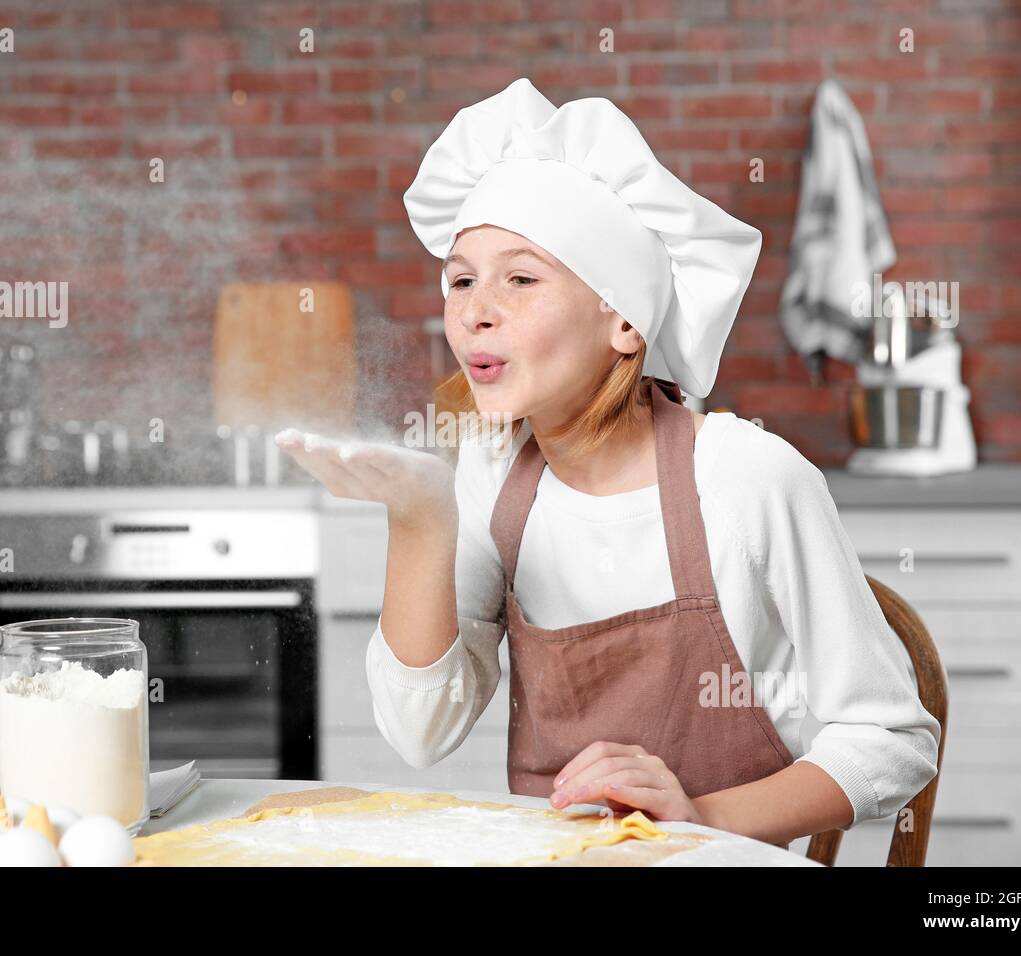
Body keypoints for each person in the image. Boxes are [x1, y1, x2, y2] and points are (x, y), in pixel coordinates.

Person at [276, 78, 939, 848]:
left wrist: (701, 818)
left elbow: (893, 739)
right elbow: (423, 731)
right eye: (461, 279)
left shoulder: (746, 479)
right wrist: (421, 518)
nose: (473, 308)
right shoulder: (494, 480)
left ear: (624, 319)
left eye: (520, 278)